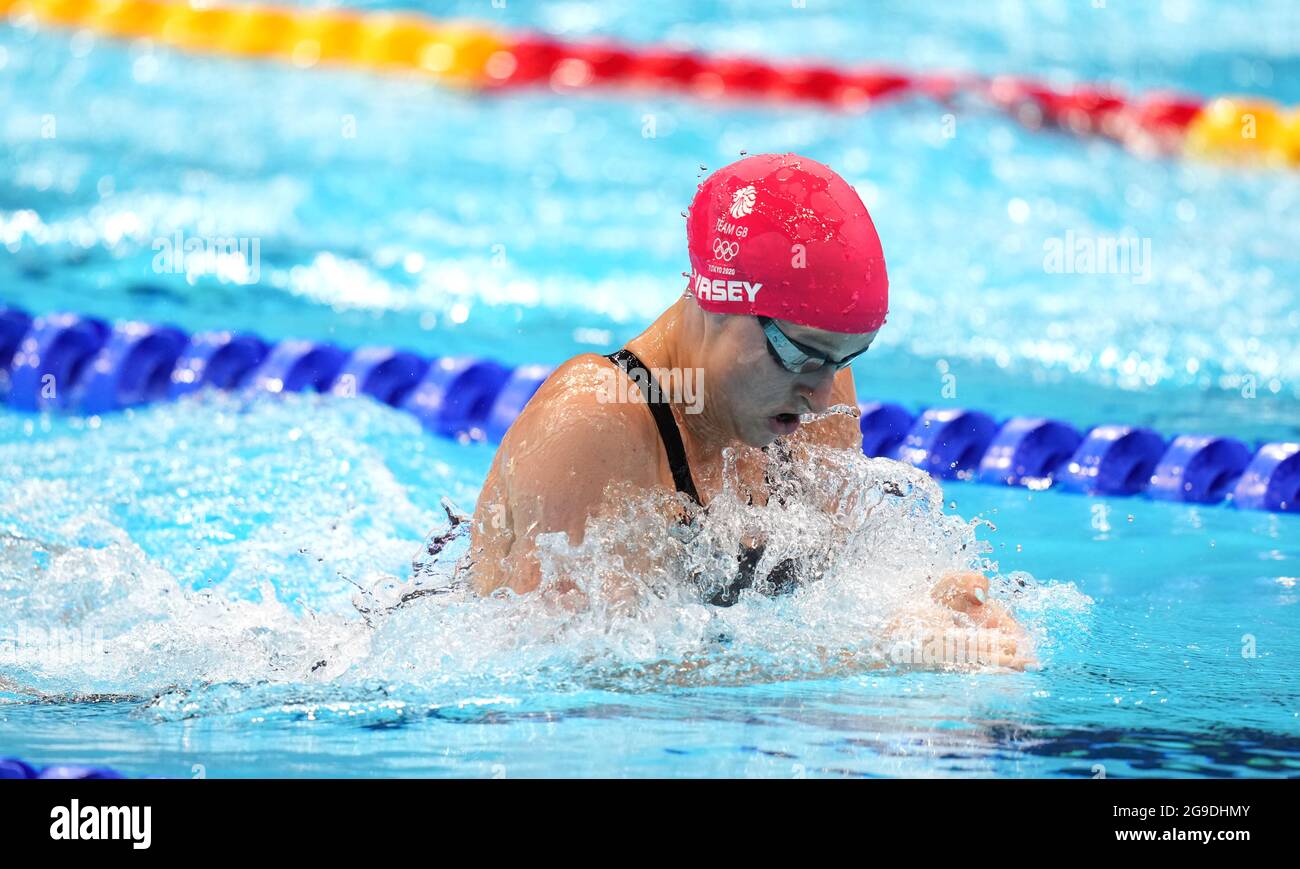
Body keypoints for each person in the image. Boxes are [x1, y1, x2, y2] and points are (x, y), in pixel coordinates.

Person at [466, 153, 1033, 668]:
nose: (821, 393)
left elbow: (834, 579)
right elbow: (574, 675)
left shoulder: (817, 388)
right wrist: (872, 656)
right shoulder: (596, 419)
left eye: (845, 357)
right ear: (716, 303)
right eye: (799, 353)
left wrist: (927, 607)